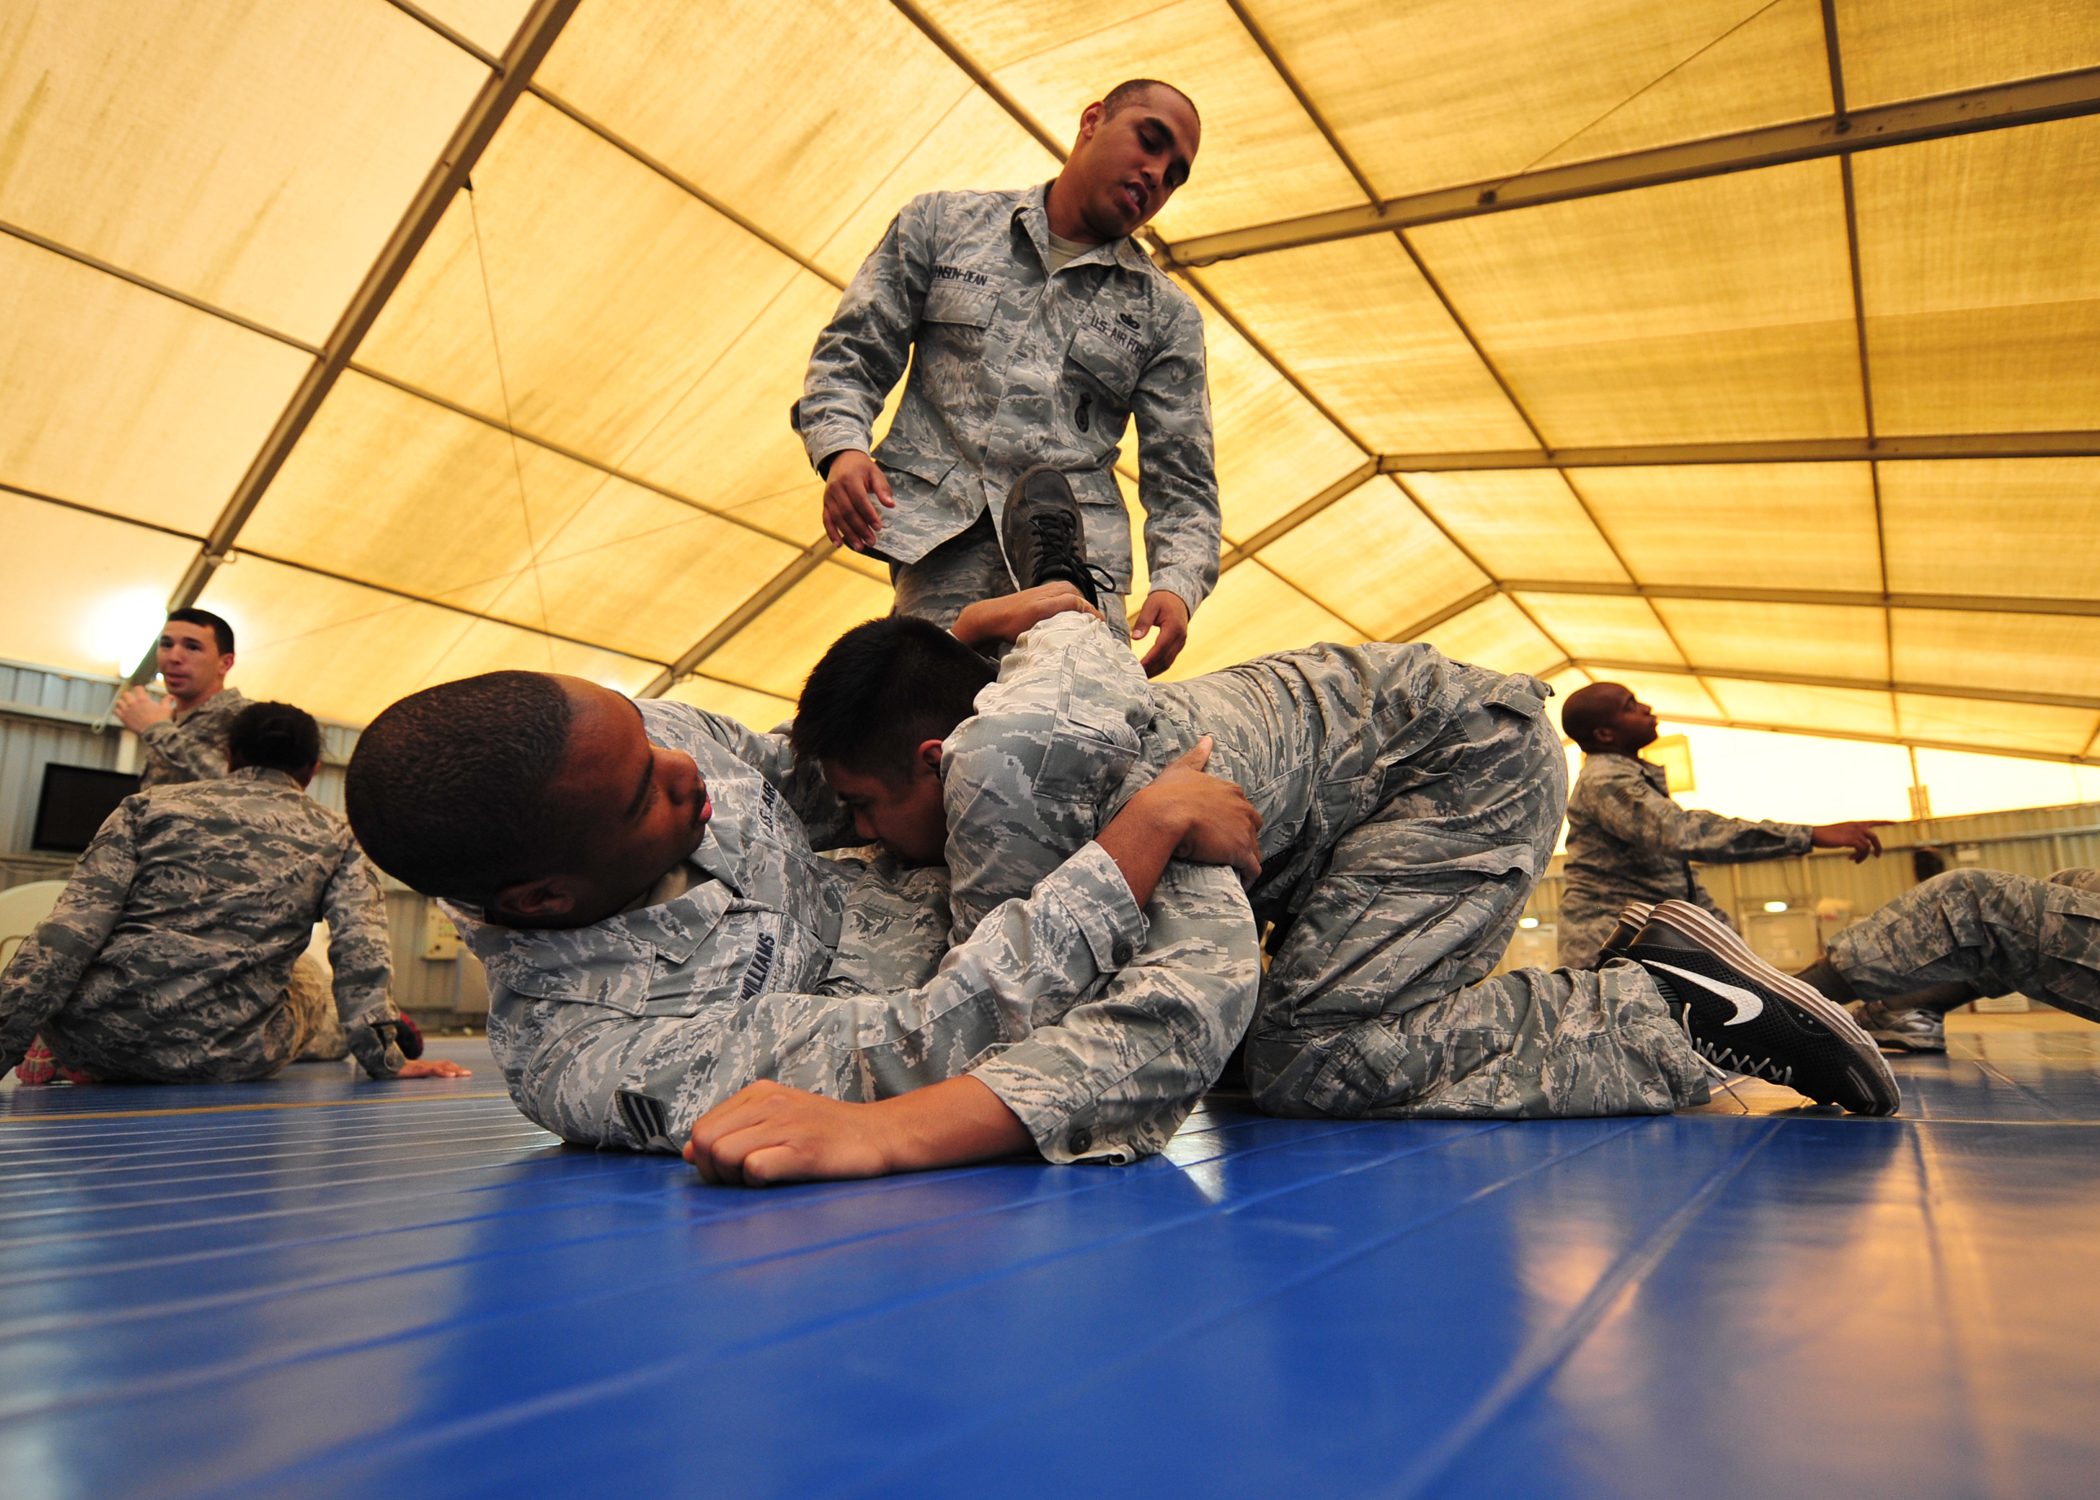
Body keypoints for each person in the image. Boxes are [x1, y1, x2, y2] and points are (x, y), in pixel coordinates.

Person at [786, 593, 1903, 1153]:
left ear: (936, 760)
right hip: (1407, 755)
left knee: (1315, 1061)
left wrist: (902, 1130)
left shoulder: (1073, 779)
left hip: (1456, 767)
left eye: (868, 807)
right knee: (1279, 1054)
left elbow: (1161, 1008)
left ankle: (1663, 1009)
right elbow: (1064, 615)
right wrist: (973, 619)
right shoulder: (1025, 709)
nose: (866, 834)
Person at [342, 671, 1262, 1183]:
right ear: (544, 900)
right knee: (1246, 1032)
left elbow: (813, 773)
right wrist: (1132, 844)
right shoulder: (588, 1052)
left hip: (992, 873)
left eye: (651, 737)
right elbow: (918, 1043)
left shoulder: (619, 744)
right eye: (644, 795)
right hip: (1015, 961)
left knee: (1050, 745)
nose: (683, 766)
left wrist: (948, 660)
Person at [793, 78, 1218, 676]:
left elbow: (1184, 479)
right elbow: (853, 351)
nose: (1156, 174)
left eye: (1174, 175)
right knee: (933, 710)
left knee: (1077, 721)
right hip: (945, 552)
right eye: (1149, 141)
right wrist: (841, 448)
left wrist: (1178, 584)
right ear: (1092, 120)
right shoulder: (943, 225)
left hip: (1074, 572)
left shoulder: (1165, 315)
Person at [0, 701, 466, 1085]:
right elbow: (361, 951)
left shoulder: (144, 809)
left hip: (98, 1037)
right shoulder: (337, 835)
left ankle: (68, 1052)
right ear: (312, 771)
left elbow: (68, 934)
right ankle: (354, 1037)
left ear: (229, 756)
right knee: (307, 975)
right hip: (230, 1055)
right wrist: (386, 1061)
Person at [1557, 681, 1890, 972]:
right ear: (1605, 734)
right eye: (1630, 706)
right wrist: (1809, 835)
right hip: (1612, 954)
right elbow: (1685, 833)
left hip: (1644, 946)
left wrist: (1735, 947)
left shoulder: (1632, 778)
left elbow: (1678, 884)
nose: (1646, 708)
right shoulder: (1605, 781)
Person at [110, 608, 251, 787]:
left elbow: (245, 788)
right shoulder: (170, 719)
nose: (173, 657)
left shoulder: (248, 719)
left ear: (225, 663)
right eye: (166, 645)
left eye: (192, 647)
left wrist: (158, 731)